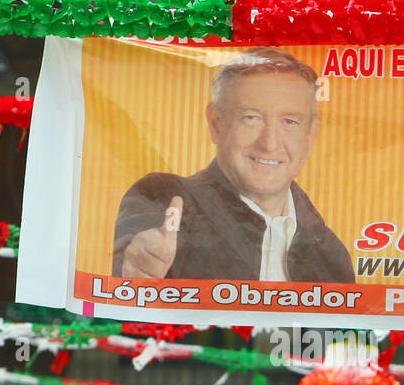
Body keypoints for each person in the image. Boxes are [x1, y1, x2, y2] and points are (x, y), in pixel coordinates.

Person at [113, 47, 354, 284]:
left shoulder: (332, 257)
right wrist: (137, 266)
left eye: (290, 121)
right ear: (216, 124)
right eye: (251, 118)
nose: (269, 144)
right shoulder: (164, 197)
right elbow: (138, 243)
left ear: (311, 134)